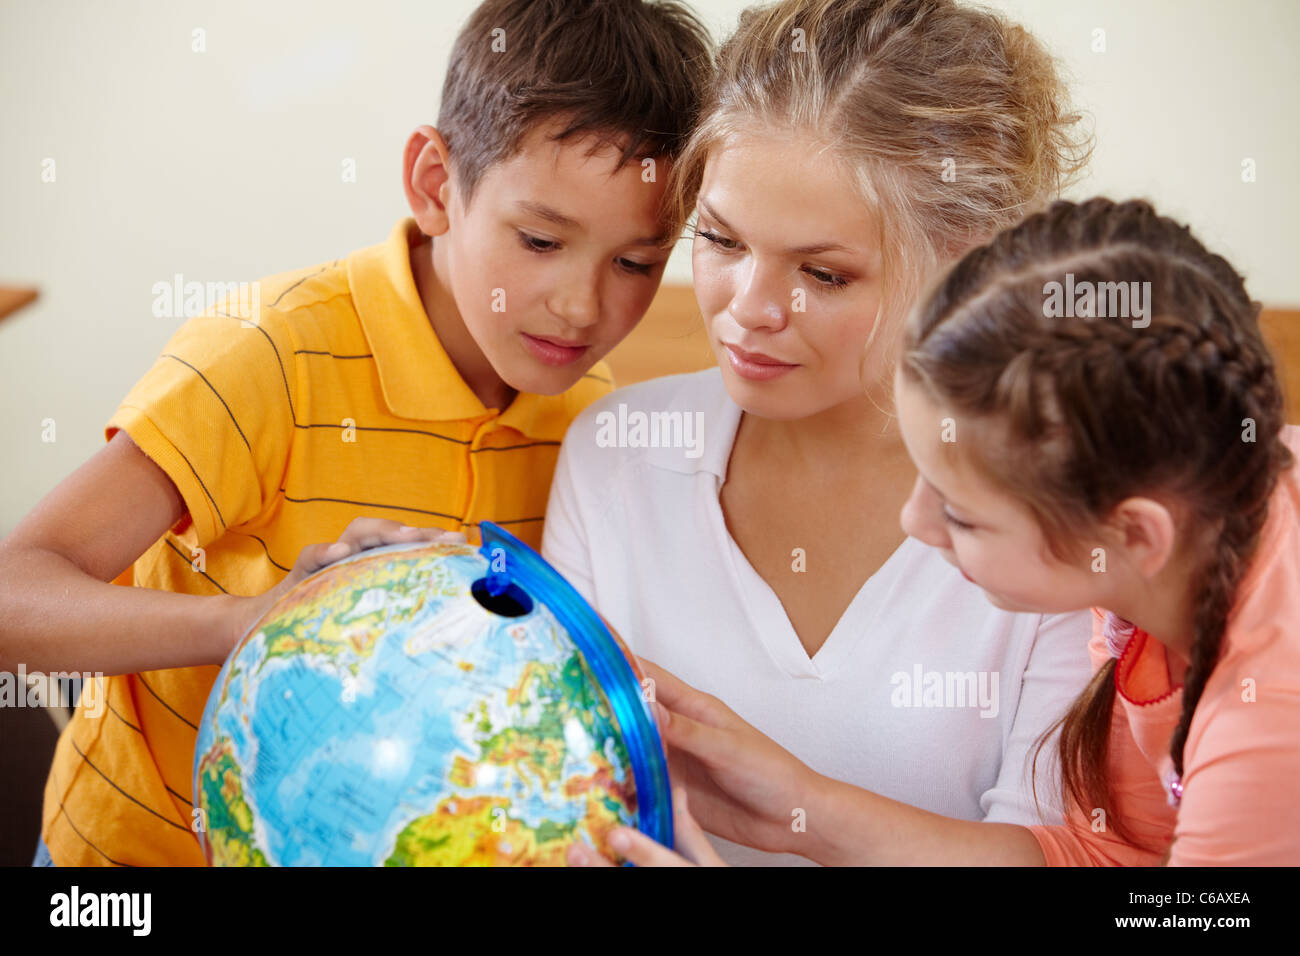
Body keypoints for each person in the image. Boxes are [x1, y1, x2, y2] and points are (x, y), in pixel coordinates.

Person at [1, 0, 714, 867]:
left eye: (636, 263)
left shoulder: (585, 414)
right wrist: (253, 623)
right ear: (432, 183)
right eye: (538, 239)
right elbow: (15, 591)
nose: (582, 306)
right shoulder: (270, 355)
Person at [578, 197, 1300, 867]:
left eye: (963, 512)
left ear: (1134, 536)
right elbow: (1108, 861)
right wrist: (803, 805)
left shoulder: (1269, 719)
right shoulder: (1174, 545)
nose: (914, 522)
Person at [544, 0, 1097, 865]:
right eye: (720, 240)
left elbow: (1062, 855)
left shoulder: (1073, 509)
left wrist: (808, 808)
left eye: (824, 273)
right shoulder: (614, 456)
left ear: (971, 261)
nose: (749, 311)